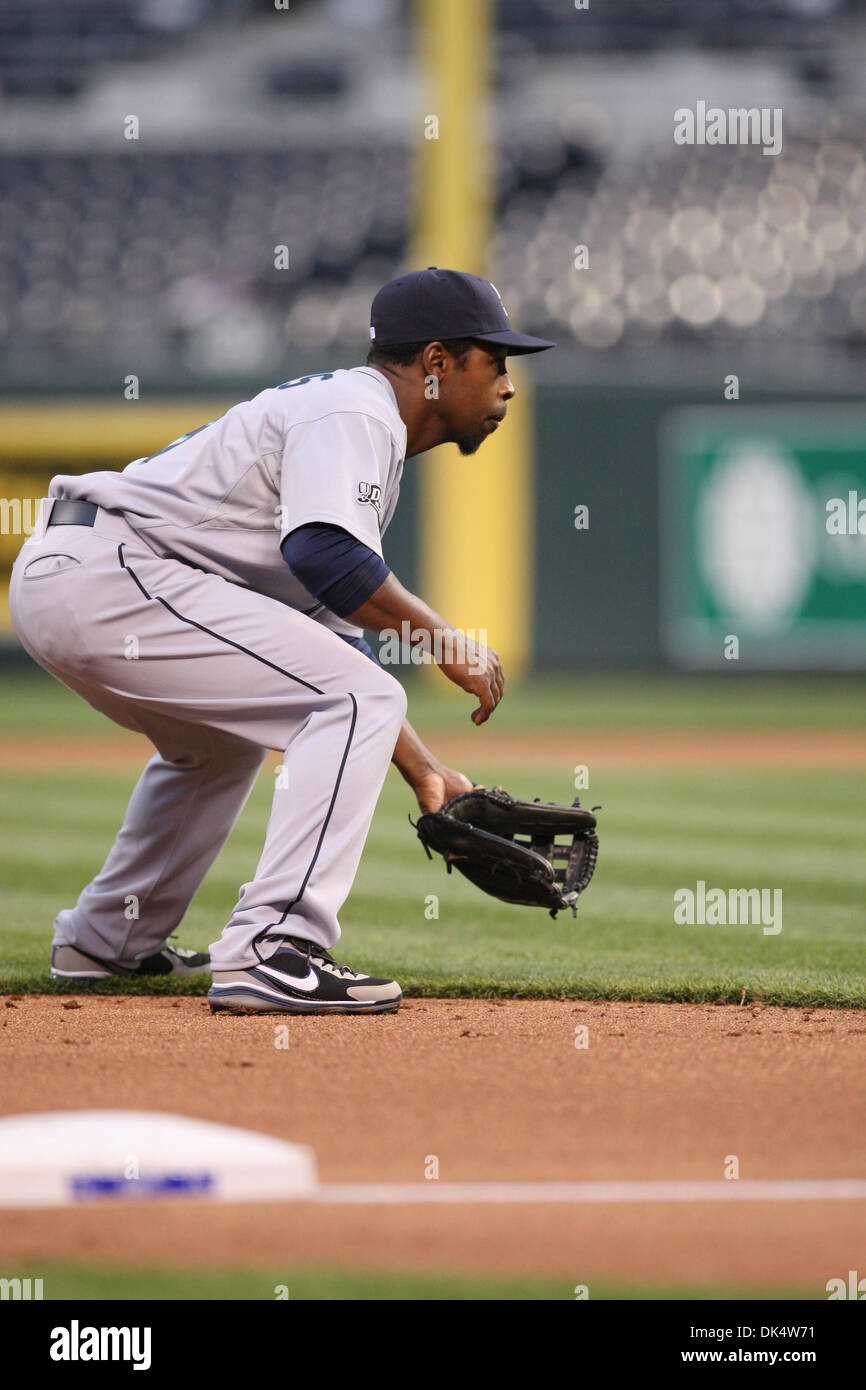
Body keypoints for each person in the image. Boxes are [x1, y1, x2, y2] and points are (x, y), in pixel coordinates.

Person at [9, 267, 554, 1014]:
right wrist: (441, 638)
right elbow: (325, 558)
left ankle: (106, 941)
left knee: (220, 745)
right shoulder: (358, 413)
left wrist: (424, 769)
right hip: (115, 575)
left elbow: (327, 635)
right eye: (494, 363)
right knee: (361, 696)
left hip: (86, 579)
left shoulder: (352, 425)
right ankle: (272, 947)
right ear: (436, 364)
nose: (508, 386)